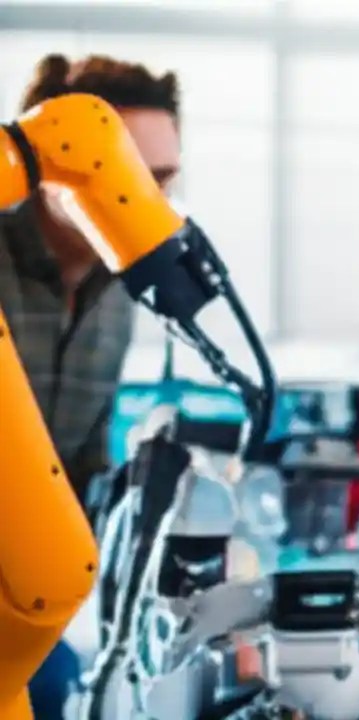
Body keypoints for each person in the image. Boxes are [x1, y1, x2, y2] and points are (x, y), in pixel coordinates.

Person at [0, 53, 182, 719]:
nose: (145, 204)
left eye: (161, 179)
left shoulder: (120, 290)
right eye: (125, 178)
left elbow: (81, 462)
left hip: (35, 584)